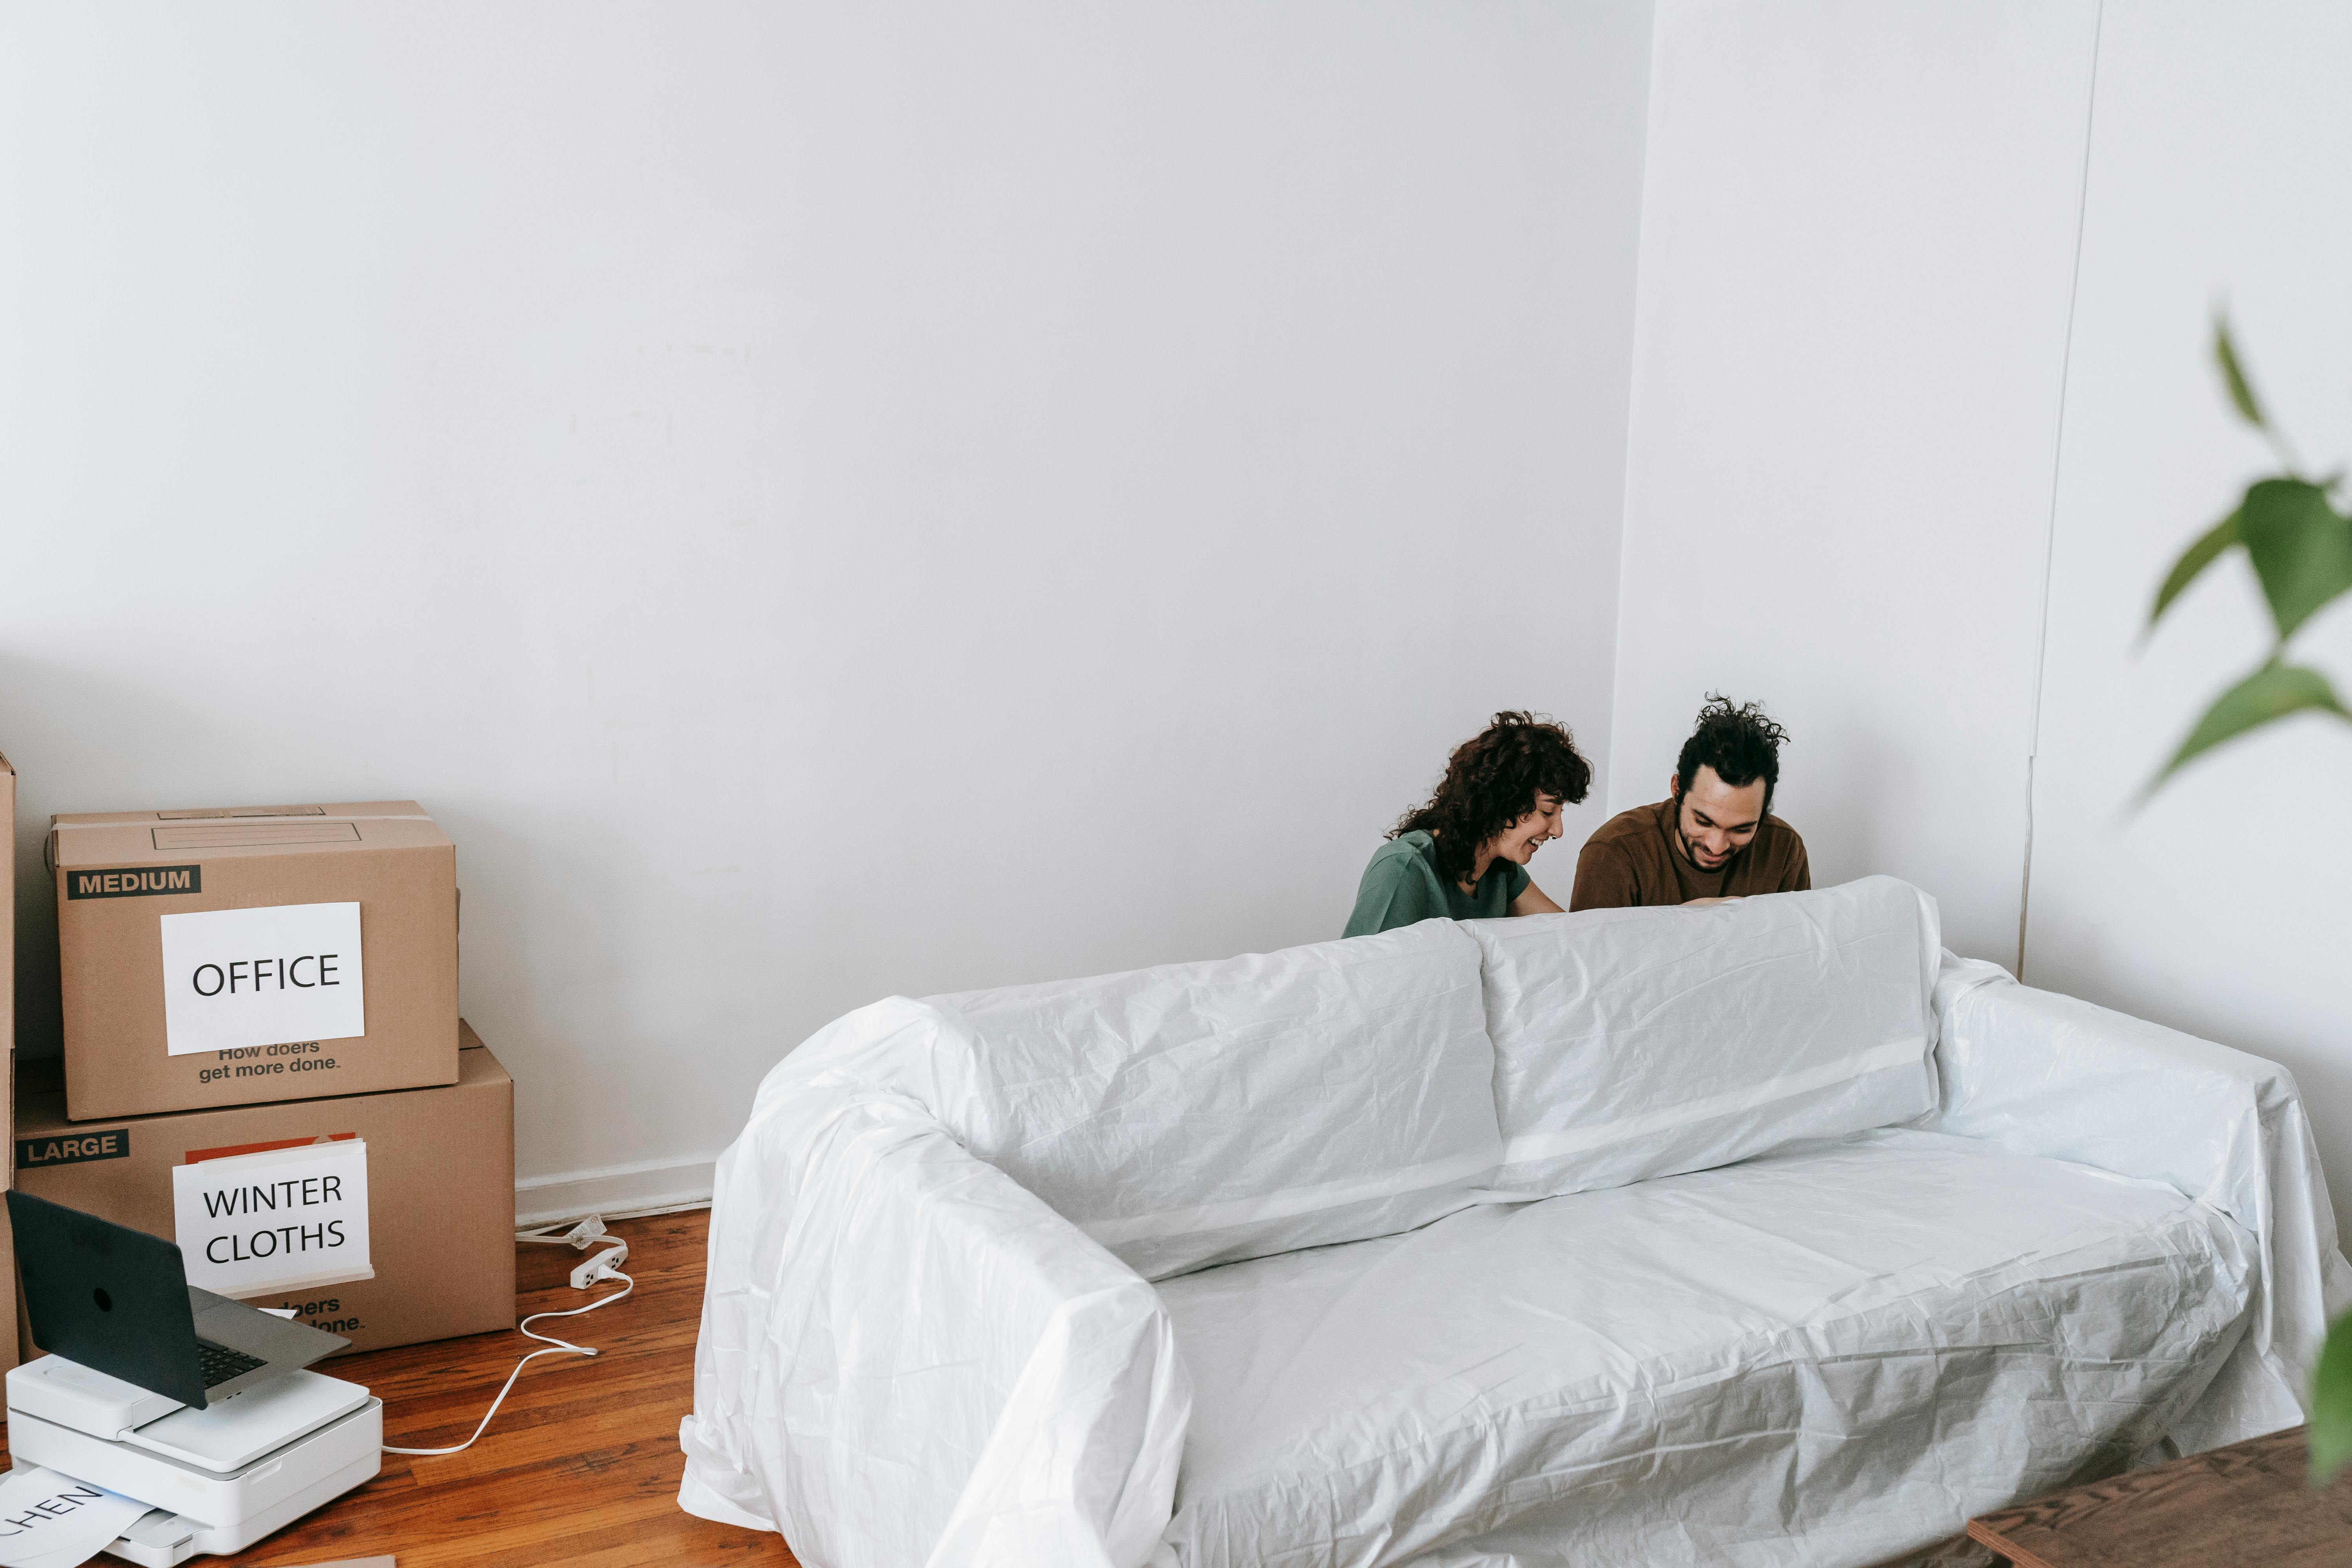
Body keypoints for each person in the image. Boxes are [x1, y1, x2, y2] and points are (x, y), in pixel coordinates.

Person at [1344, 711, 1592, 938]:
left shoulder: (1501, 872)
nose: (1558, 831)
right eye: (1548, 811)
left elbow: (1571, 936)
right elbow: (1363, 977)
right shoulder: (1403, 866)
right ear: (1501, 802)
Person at [1570, 695, 1808, 910]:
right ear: (1677, 790)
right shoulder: (1614, 852)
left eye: (1742, 829)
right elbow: (1591, 958)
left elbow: (1798, 953)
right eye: (1703, 821)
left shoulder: (1785, 849)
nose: (1717, 847)